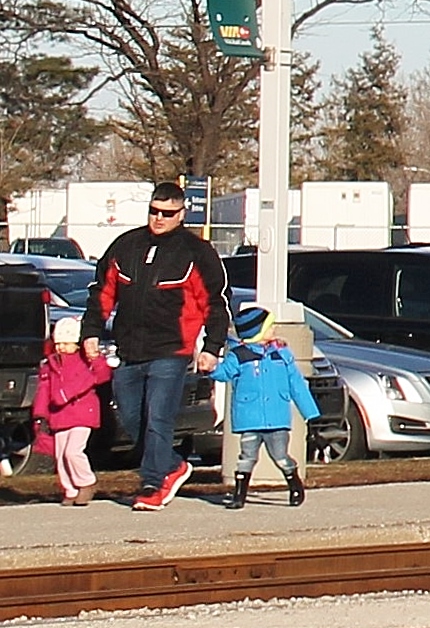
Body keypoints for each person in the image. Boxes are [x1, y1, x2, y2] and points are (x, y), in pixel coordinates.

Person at [88, 184, 234, 510]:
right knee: (131, 417)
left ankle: (152, 484)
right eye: (154, 211)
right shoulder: (126, 245)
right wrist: (91, 332)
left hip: (172, 350)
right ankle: (173, 465)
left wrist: (212, 346)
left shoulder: (197, 252)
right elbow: (102, 292)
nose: (159, 218)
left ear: (181, 214)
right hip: (129, 350)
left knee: (158, 418)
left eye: (167, 213)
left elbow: (215, 302)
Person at [218, 320, 309, 510]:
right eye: (269, 327)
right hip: (249, 417)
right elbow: (225, 372)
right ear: (257, 332)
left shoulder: (281, 354)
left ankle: (294, 485)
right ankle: (239, 495)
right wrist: (210, 368)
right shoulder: (239, 355)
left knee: (280, 456)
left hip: (276, 419)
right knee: (247, 456)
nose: (274, 330)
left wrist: (309, 411)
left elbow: (296, 383)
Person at [27, 321, 112, 505]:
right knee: (60, 454)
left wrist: (95, 357)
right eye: (58, 344)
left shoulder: (85, 361)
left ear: (75, 342)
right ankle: (70, 489)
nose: (61, 348)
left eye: (66, 343)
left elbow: (102, 375)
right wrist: (40, 414)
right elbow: (44, 390)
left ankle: (86, 482)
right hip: (59, 416)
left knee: (73, 451)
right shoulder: (50, 364)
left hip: (82, 414)